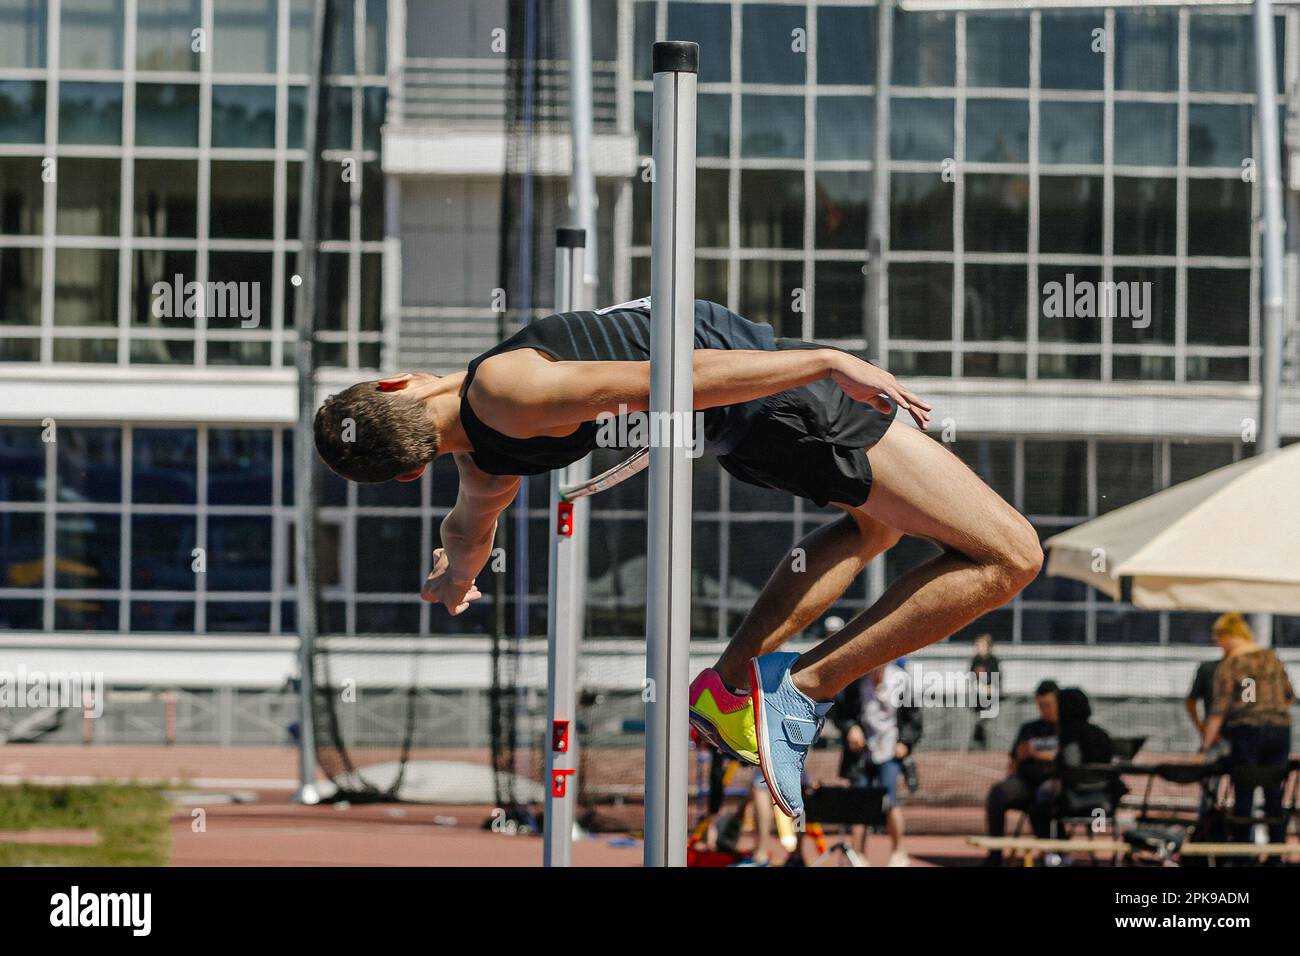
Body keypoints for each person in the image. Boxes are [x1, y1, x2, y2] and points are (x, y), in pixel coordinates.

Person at [313, 298, 1042, 818]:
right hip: (769, 405)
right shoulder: (508, 390)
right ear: (393, 383)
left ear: (412, 469)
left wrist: (452, 583)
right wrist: (823, 360)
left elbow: (468, 535)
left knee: (877, 527)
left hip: (750, 421)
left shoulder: (485, 463)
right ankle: (806, 691)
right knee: (1011, 556)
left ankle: (729, 687)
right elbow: (672, 378)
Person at [1199, 612, 1295, 847]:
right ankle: (1276, 855)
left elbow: (1218, 709)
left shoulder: (1231, 663)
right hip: (1280, 730)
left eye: (1218, 640)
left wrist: (1204, 747)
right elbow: (1289, 695)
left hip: (1247, 732)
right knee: (1274, 794)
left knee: (1244, 793)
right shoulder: (1271, 657)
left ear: (1227, 636)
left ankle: (1242, 854)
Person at [831, 660, 921, 866]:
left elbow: (914, 717)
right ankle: (858, 854)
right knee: (859, 800)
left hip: (889, 751)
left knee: (889, 801)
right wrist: (851, 728)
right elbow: (840, 712)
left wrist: (905, 742)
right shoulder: (855, 682)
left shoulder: (900, 680)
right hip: (862, 753)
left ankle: (899, 850)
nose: (875, 671)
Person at [1029, 687, 1123, 839]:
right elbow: (1115, 763)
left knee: (1038, 808)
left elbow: (1072, 767)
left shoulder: (1069, 734)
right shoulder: (1101, 733)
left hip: (1079, 801)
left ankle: (1059, 855)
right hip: (1106, 799)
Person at [983, 680, 1058, 866]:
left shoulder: (1067, 729)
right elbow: (1014, 761)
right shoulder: (1029, 728)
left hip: (1052, 784)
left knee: (1046, 794)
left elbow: (1064, 757)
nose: (1044, 709)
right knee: (998, 792)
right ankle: (995, 854)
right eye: (1040, 705)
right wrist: (1018, 760)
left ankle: (1054, 852)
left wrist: (1038, 753)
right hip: (1025, 783)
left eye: (1048, 705)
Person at [968, 633, 1001, 750]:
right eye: (977, 645)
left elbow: (996, 683)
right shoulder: (975, 660)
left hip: (990, 700)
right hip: (976, 701)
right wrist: (978, 688)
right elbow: (971, 678)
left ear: (988, 646)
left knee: (986, 724)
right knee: (975, 723)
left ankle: (988, 747)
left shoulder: (993, 661)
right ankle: (975, 746)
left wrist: (987, 690)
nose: (979, 648)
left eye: (981, 645)